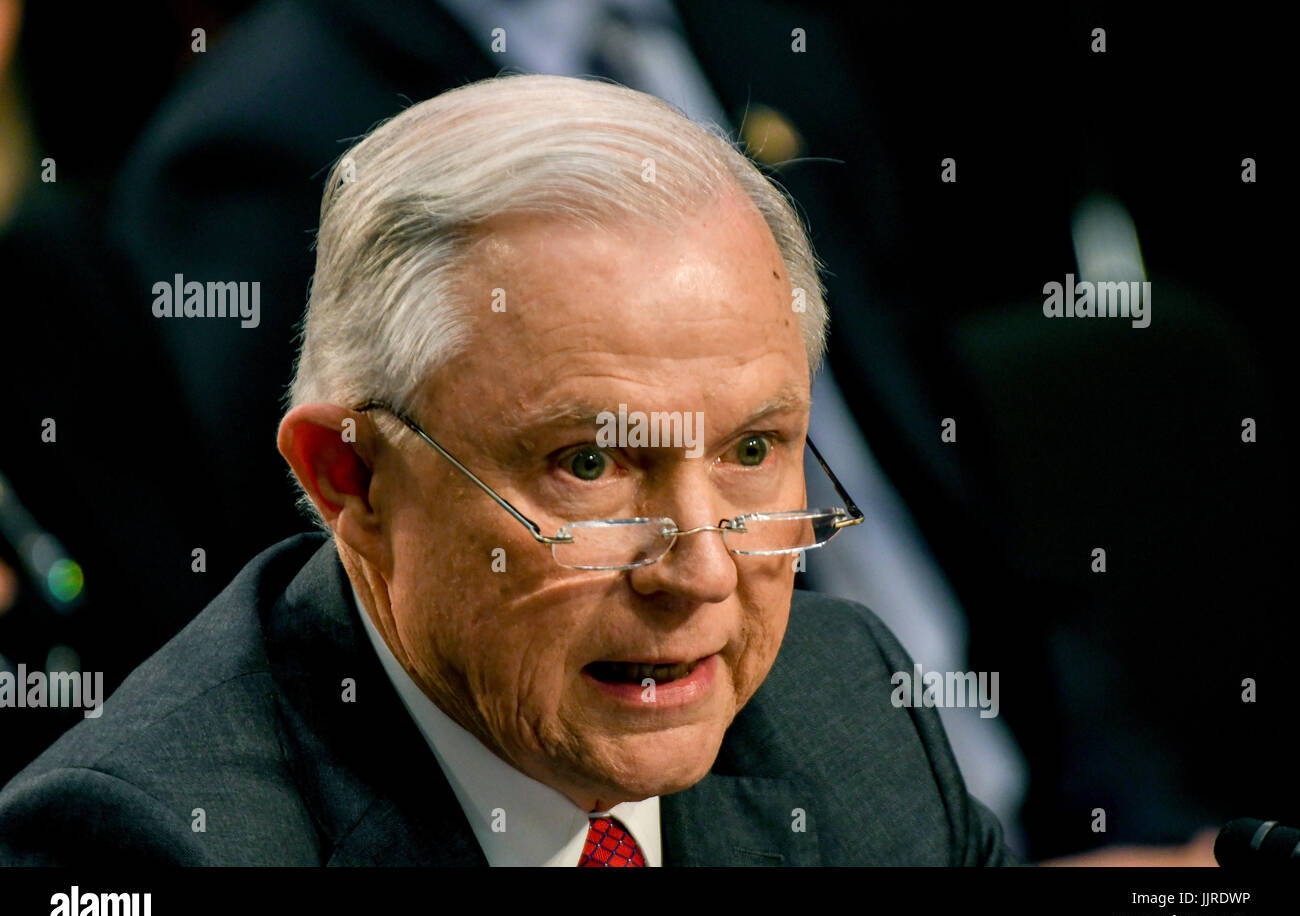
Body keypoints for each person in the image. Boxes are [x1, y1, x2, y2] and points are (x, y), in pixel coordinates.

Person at [0, 75, 1014, 866]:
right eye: (589, 464)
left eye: (751, 450)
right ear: (349, 476)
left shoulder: (849, 712)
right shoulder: (145, 842)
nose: (701, 572)